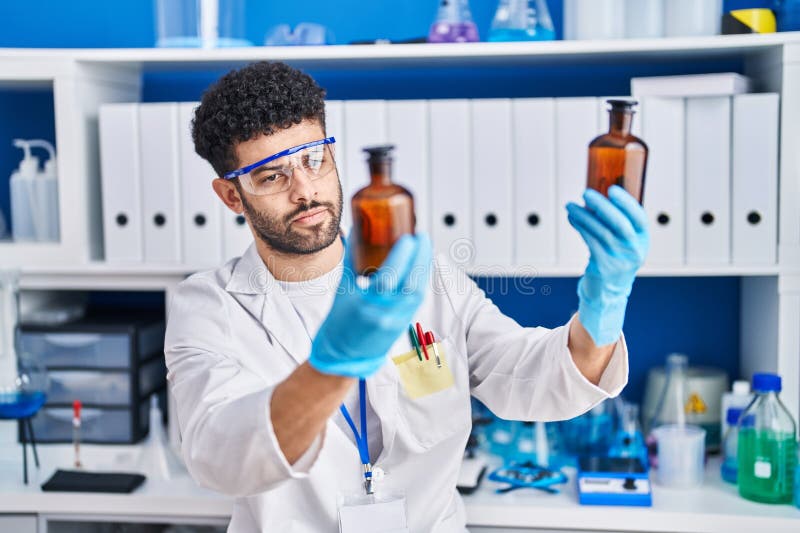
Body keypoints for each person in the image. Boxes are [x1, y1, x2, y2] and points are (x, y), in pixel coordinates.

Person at [164, 61, 649, 532]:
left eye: (314, 159)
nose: (305, 190)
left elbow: (534, 379)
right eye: (272, 176)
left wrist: (607, 299)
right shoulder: (209, 308)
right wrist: (333, 366)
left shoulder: (423, 275)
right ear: (231, 196)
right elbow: (219, 457)